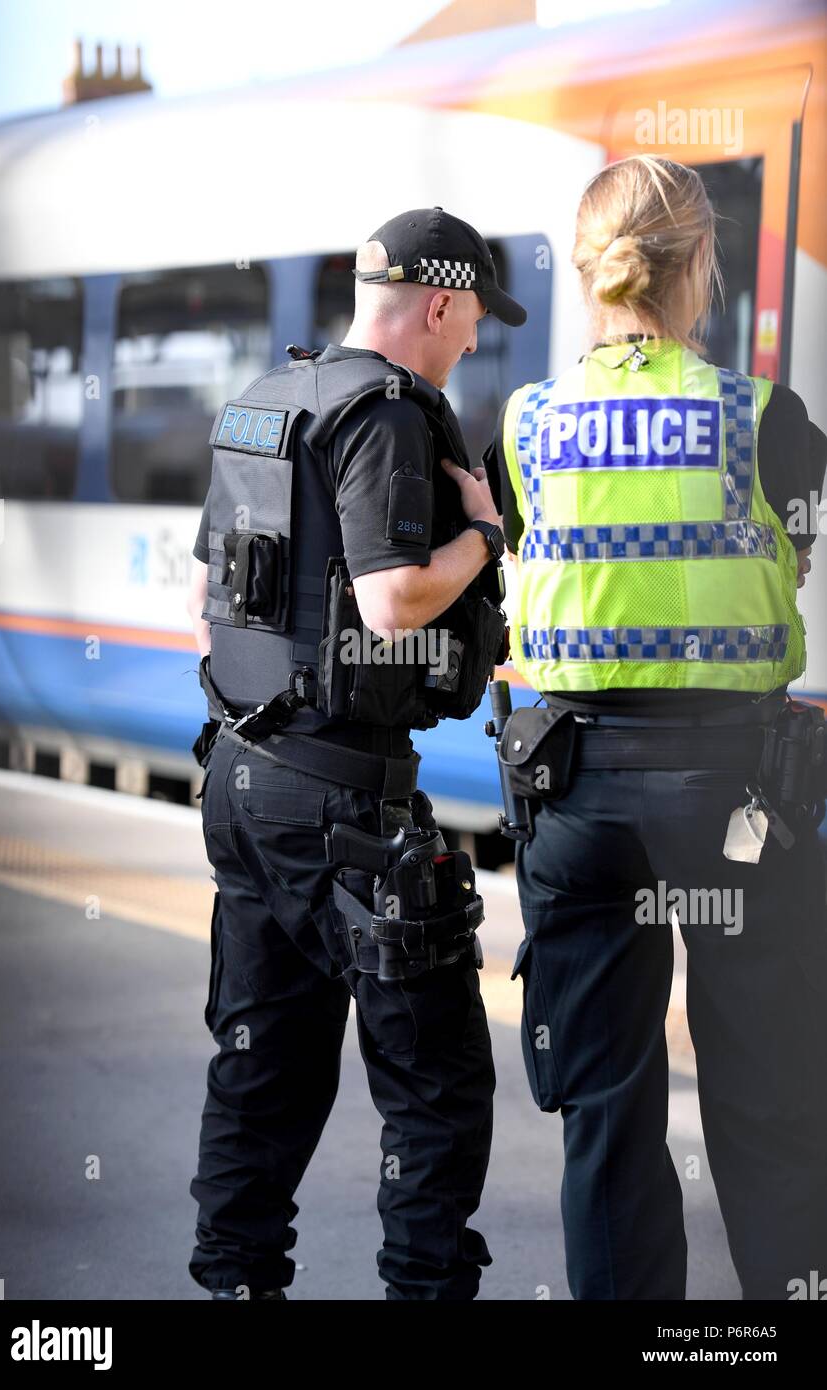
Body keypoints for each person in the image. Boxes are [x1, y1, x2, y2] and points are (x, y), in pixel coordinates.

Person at [483, 155, 827, 1300]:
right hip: (739, 801)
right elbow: (796, 551)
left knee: (606, 1111)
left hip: (577, 798)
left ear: (586, 274)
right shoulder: (764, 418)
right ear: (703, 269)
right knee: (772, 1097)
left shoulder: (523, 426)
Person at [185, 206, 527, 1301]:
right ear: (434, 303)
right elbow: (389, 606)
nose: (472, 339)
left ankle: (239, 1284)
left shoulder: (264, 402)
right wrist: (485, 536)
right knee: (434, 1082)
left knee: (260, 1069)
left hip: (240, 782)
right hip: (344, 807)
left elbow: (211, 594)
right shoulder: (385, 413)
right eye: (471, 316)